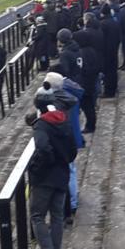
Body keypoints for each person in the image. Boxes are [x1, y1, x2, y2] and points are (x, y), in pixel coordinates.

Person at [27, 84, 78, 249]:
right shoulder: (63, 120)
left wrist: (37, 168)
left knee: (37, 216)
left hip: (45, 178)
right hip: (62, 175)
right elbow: (72, 150)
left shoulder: (41, 125)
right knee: (57, 216)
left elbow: (43, 148)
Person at [44, 70, 83, 221]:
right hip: (72, 138)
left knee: (68, 171)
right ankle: (72, 200)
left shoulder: (55, 103)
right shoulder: (70, 97)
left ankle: (70, 203)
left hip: (62, 140)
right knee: (71, 169)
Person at [99, 4, 121, 98]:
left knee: (107, 71)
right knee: (113, 69)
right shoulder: (114, 21)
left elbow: (101, 38)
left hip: (106, 50)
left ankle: (109, 91)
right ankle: (114, 87)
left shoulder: (103, 24)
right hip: (114, 48)